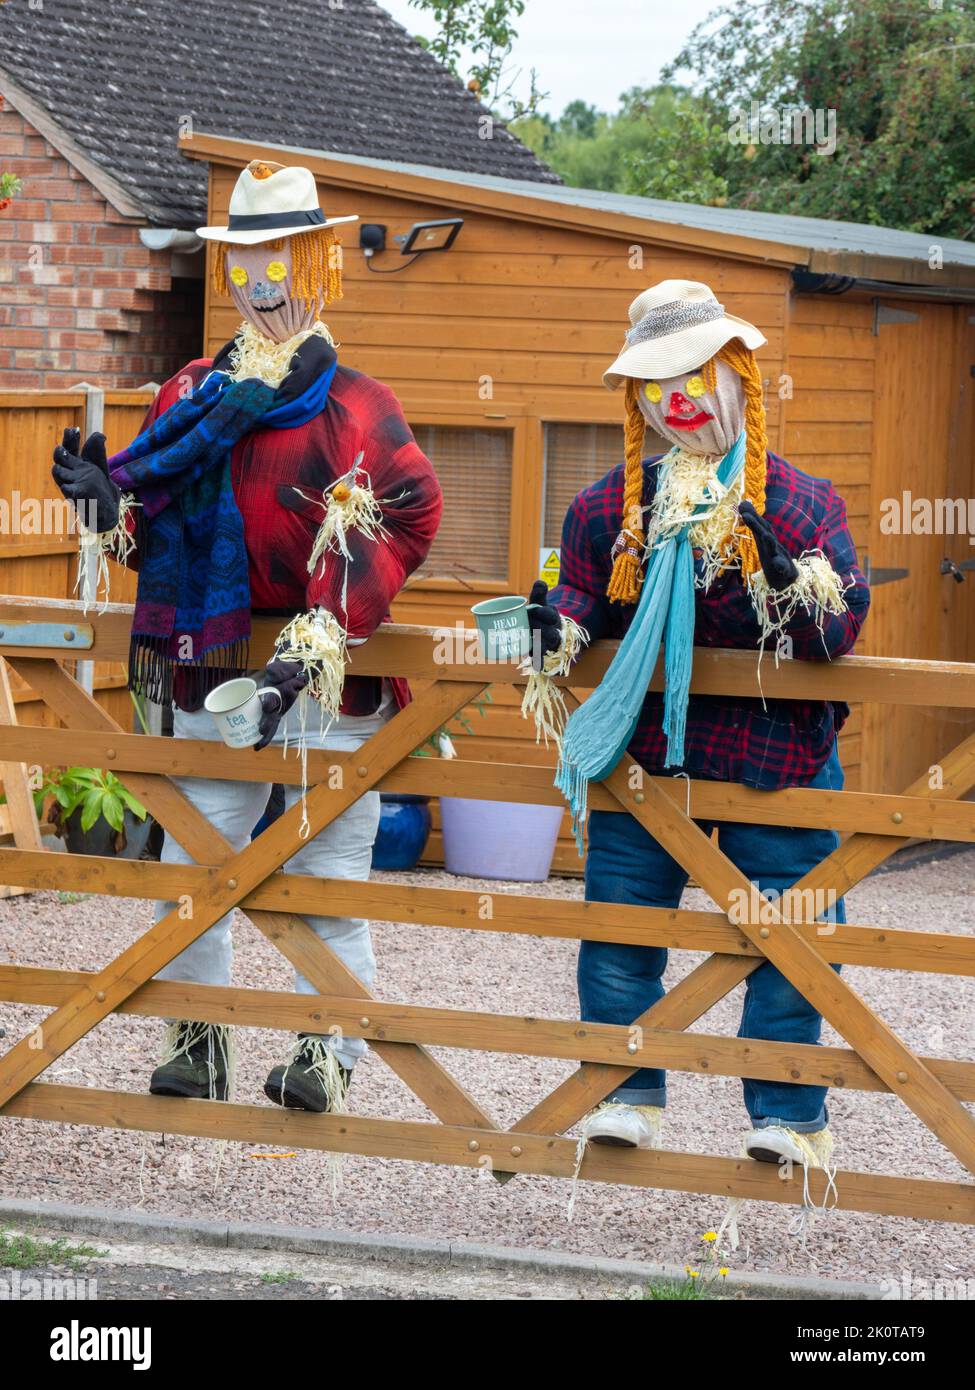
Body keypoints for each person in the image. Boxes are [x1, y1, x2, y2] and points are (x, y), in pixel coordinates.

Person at [51, 160, 442, 1113]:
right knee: (192, 864)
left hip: (321, 680)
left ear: (316, 264)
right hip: (209, 665)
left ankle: (326, 1054)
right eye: (243, 264)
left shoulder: (360, 405)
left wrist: (312, 638)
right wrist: (111, 508)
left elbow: (406, 511)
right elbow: (155, 531)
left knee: (327, 870)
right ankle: (199, 1039)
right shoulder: (189, 390)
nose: (261, 285)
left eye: (278, 261)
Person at [525, 280, 869, 1178]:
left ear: (736, 376)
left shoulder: (803, 506)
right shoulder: (611, 508)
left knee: (789, 936)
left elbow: (837, 637)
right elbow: (577, 601)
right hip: (650, 761)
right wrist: (551, 627)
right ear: (638, 398)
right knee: (620, 930)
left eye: (693, 375)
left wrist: (797, 583)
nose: (676, 400)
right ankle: (623, 1093)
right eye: (656, 383)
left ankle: (787, 1114)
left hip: (779, 762)